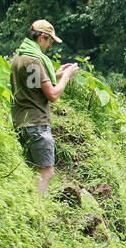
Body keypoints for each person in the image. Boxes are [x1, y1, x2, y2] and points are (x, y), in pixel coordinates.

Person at [9, 19, 77, 195]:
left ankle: (25, 206)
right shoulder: (35, 60)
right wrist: (66, 77)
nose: (49, 46)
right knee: (46, 172)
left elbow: (32, 83)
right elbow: (53, 95)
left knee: (32, 172)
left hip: (21, 123)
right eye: (49, 41)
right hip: (37, 125)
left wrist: (55, 74)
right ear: (41, 37)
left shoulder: (20, 57)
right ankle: (34, 211)